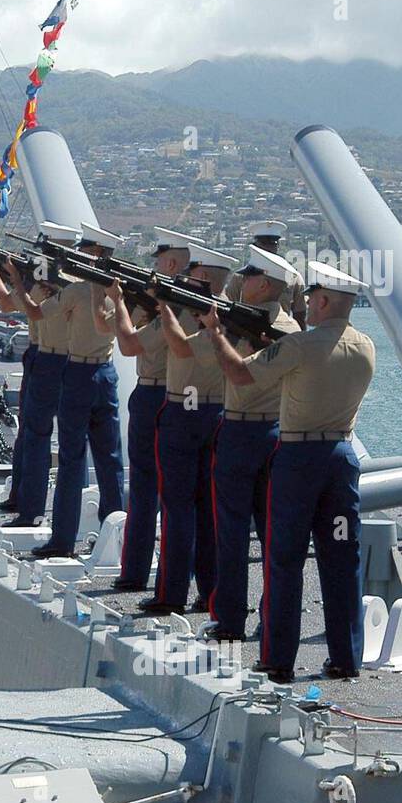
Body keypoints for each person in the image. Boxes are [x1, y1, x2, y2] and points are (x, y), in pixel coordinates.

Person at [200, 260, 375, 683]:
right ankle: (345, 657)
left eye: (315, 298)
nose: (309, 304)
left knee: (284, 559)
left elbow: (240, 374)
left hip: (298, 461)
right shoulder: (365, 345)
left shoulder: (301, 346)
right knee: (340, 557)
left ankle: (278, 659)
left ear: (326, 300)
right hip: (341, 459)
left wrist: (216, 332)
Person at [195, 246, 301, 642]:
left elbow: (234, 371)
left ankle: (230, 619)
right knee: (271, 533)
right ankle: (267, 618)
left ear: (266, 284)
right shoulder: (289, 329)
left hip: (243, 432)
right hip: (272, 435)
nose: (242, 282)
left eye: (250, 277)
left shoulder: (275, 331)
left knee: (232, 532)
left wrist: (216, 333)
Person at [140, 243, 237, 615]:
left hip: (186, 411)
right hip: (214, 411)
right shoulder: (227, 313)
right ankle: (209, 591)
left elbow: (181, 349)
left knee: (177, 507)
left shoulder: (216, 316)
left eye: (194, 273)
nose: (188, 278)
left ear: (206, 277)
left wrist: (164, 307)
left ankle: (171, 592)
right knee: (207, 509)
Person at [108, 227, 203, 590]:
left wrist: (119, 302)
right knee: (178, 492)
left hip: (155, 397)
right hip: (178, 399)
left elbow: (129, 345)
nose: (157, 267)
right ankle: (181, 574)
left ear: (175, 262)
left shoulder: (174, 309)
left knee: (147, 488)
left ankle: (136, 572)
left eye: (162, 261)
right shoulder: (183, 304)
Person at [33, 222, 126, 559]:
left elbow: (34, 312)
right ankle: (115, 537)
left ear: (96, 254)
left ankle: (63, 540)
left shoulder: (77, 291)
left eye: (86, 249)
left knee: (72, 460)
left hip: (78, 373)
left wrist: (19, 283)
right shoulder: (120, 290)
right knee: (110, 459)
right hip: (106, 374)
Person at [0, 258, 68, 528]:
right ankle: (20, 497)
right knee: (27, 435)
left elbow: (7, 305)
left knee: (35, 435)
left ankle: (29, 508)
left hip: (51, 359)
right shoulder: (52, 283)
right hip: (40, 354)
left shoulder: (56, 287)